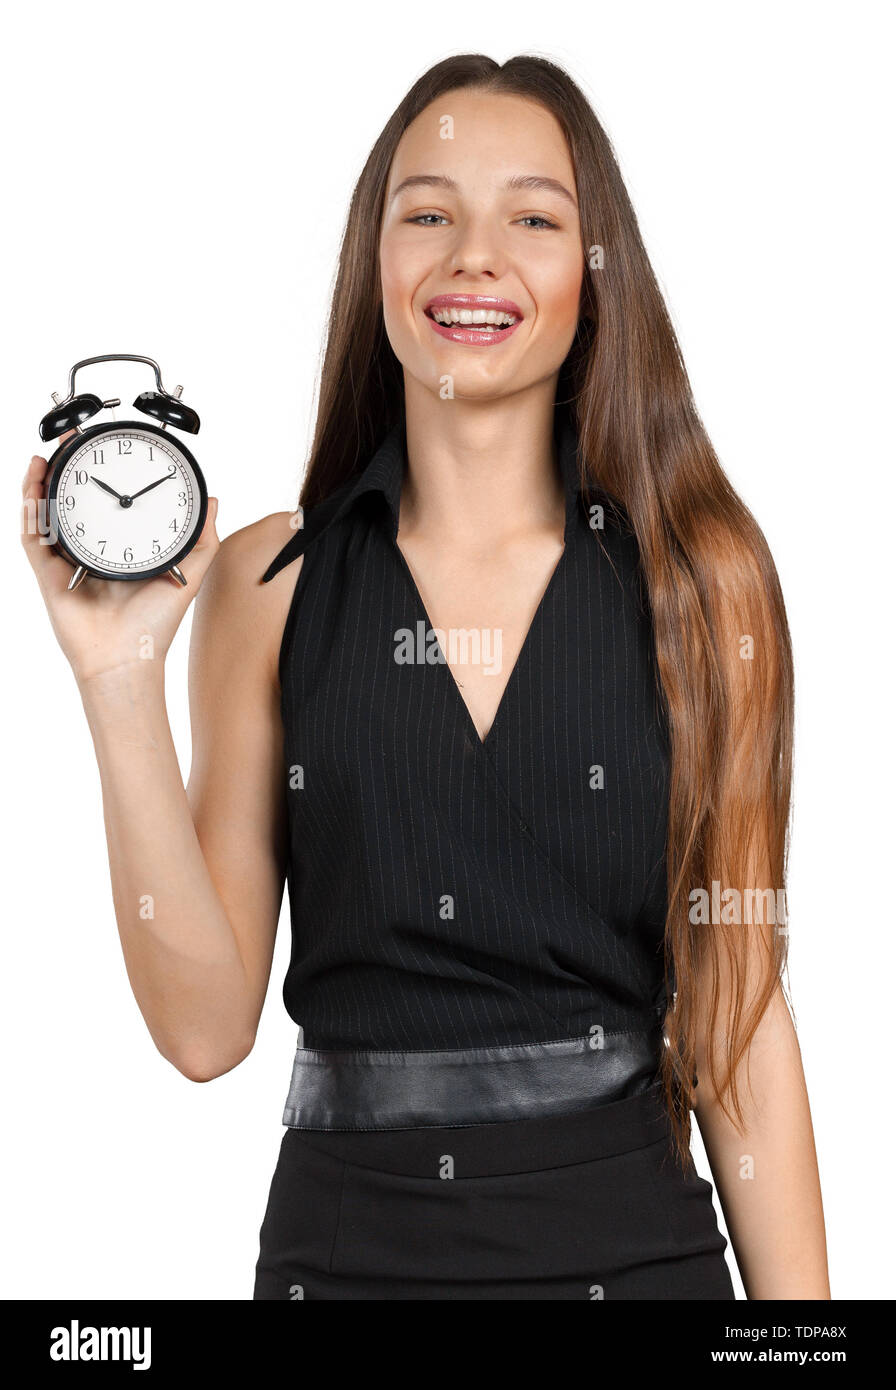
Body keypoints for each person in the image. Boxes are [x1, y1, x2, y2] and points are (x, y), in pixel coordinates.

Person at [21, 53, 829, 1300]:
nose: (473, 255)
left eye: (533, 218)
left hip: (634, 1257)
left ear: (591, 275)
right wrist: (118, 679)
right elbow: (202, 1028)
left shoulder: (696, 581)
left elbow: (734, 1027)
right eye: (428, 212)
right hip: (345, 1264)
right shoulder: (267, 583)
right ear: (375, 262)